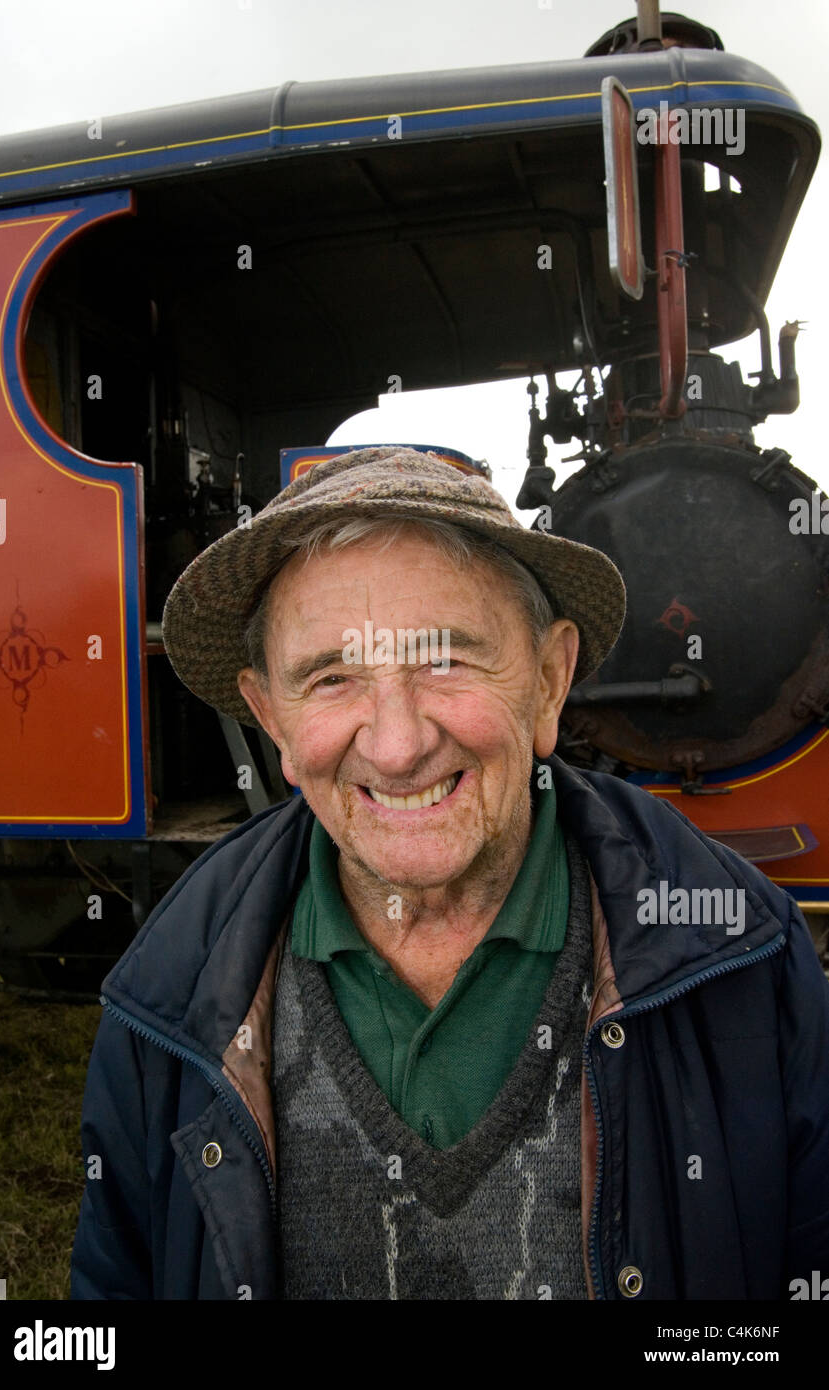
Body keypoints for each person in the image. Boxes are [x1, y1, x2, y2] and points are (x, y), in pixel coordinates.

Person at [71, 446, 829, 1301]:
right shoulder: (163, 993)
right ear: (270, 718)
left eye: (446, 661)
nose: (397, 746)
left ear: (547, 683)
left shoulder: (745, 962)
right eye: (331, 677)